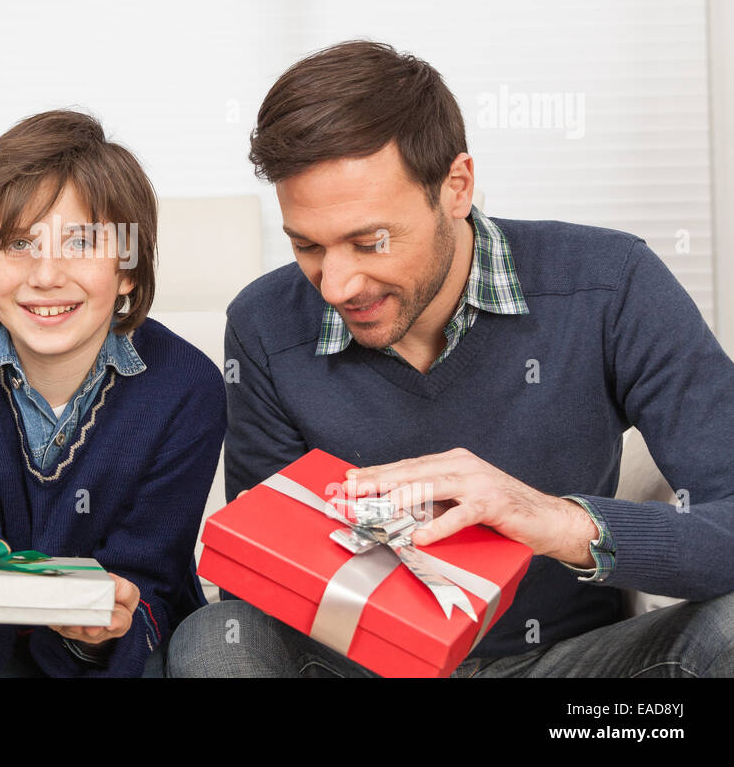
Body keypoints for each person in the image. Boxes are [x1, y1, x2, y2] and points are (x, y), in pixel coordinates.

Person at [169, 40, 734, 677]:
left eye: (370, 242)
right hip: (362, 669)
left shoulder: (610, 284)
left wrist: (552, 520)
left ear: (456, 187)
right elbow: (262, 580)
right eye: (308, 246)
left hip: (567, 667)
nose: (336, 285)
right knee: (221, 635)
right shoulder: (265, 323)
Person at [0, 110, 226, 677]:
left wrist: (94, 636)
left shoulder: (188, 388)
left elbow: (148, 585)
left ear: (128, 268)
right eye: (18, 243)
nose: (46, 276)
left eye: (80, 244)